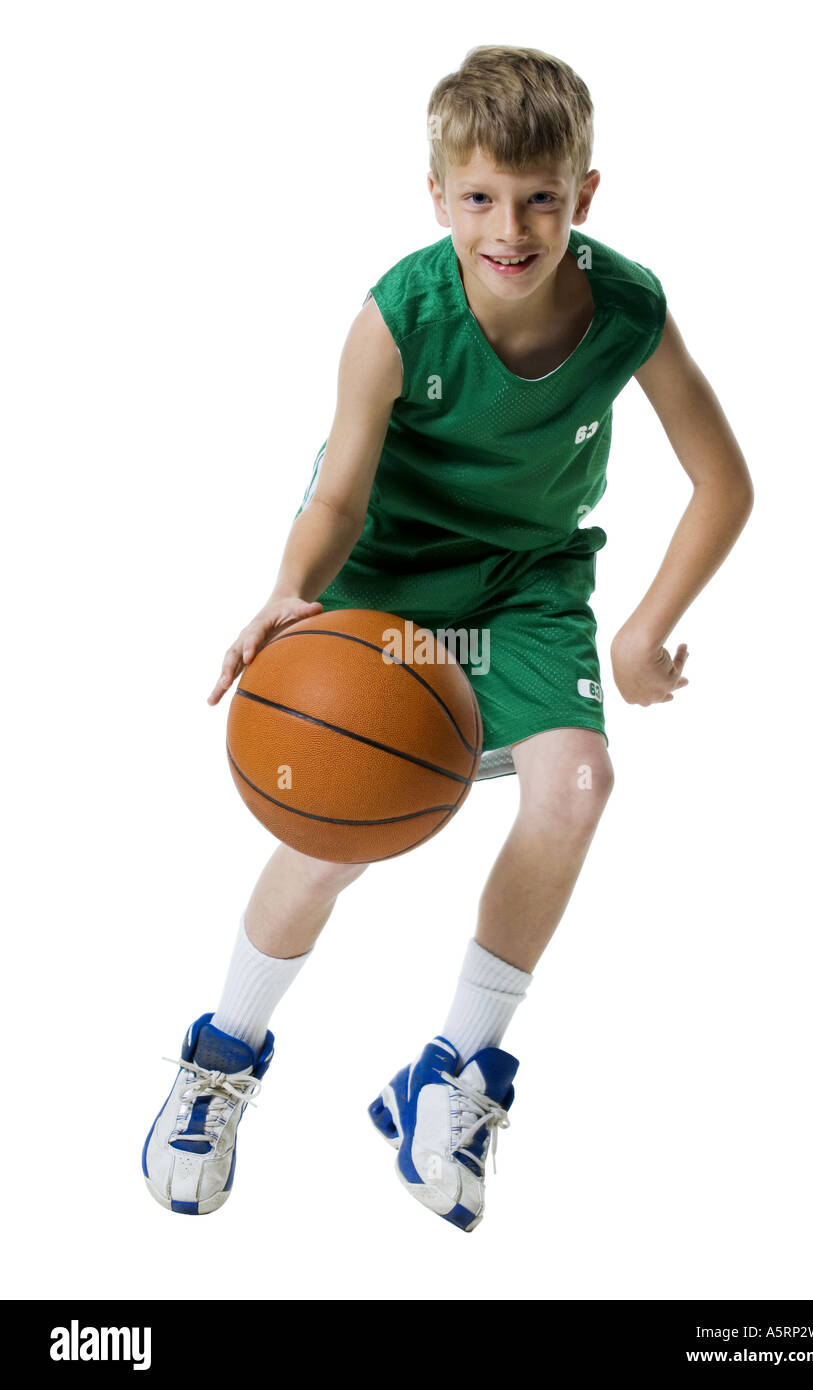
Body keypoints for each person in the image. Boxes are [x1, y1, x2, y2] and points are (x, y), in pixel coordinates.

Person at [142, 45, 753, 1231]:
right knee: (336, 822)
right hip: (391, 586)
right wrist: (289, 590)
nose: (509, 227)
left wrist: (642, 631)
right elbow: (335, 493)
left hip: (525, 585)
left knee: (577, 783)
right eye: (478, 197)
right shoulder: (398, 312)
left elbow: (723, 482)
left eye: (537, 197)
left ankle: (456, 1069)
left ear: (583, 193)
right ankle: (219, 1056)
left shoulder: (626, 307)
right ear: (437, 198)